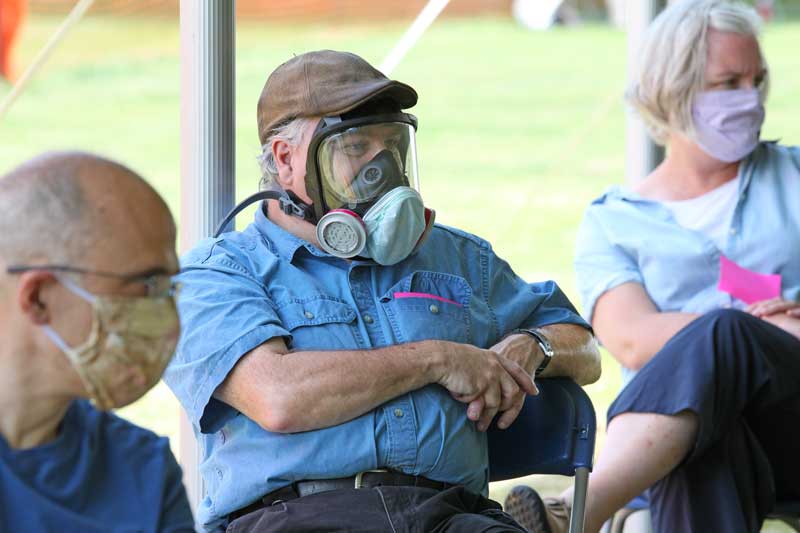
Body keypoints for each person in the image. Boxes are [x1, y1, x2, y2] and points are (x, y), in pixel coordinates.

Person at [164, 49, 601, 533]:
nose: (383, 166)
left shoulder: (457, 258)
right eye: (354, 146)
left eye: (392, 144)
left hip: (456, 515)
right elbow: (277, 397)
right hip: (294, 518)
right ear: (286, 160)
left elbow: (585, 348)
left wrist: (532, 345)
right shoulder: (216, 274)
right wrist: (438, 359)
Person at [504, 1, 800, 532]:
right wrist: (748, 326)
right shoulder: (616, 222)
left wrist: (749, 333)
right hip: (696, 444)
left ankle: (580, 509)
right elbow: (633, 339)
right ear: (673, 88)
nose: (751, 98)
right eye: (729, 82)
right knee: (707, 434)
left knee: (725, 337)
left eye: (757, 80)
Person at [0, 151, 194, 532]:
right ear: (38, 298)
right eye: (146, 286)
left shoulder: (144, 472)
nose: (169, 319)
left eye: (169, 288)